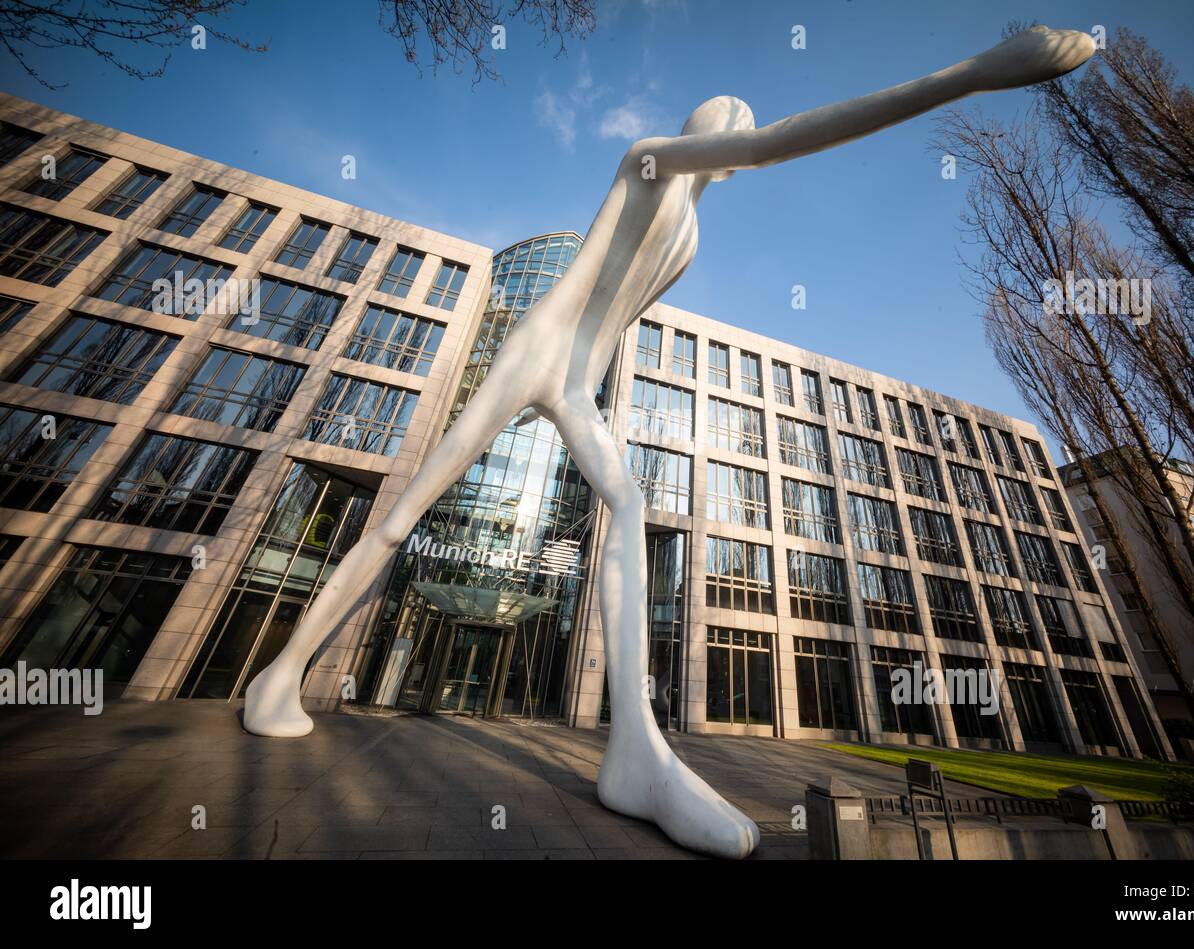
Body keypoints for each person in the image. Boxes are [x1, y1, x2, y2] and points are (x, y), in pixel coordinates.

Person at [242, 25, 1096, 858]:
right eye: (727, 114)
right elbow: (774, 146)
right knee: (404, 515)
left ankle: (637, 755)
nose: (734, 126)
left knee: (627, 498)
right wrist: (971, 75)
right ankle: (281, 675)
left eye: (737, 118)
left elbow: (629, 308)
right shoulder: (643, 160)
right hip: (534, 350)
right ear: (699, 125)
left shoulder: (692, 230)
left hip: (577, 381)